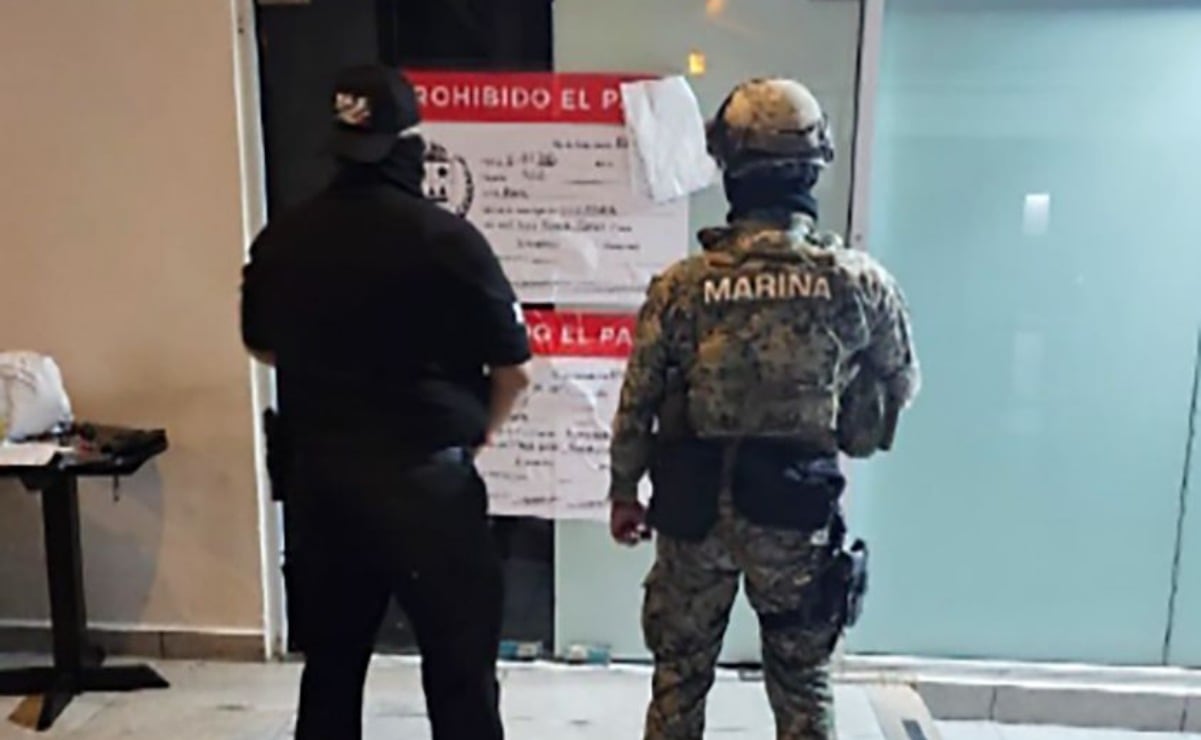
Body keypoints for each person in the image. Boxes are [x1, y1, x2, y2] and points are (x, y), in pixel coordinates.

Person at [609, 77, 921, 739]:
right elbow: (900, 383)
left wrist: (623, 492)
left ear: (728, 166)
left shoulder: (682, 286)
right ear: (813, 167)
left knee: (678, 678)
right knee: (802, 680)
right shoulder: (857, 281)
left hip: (691, 509)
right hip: (794, 507)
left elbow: (638, 399)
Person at [240, 64, 531, 740]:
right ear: (410, 145)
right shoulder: (448, 240)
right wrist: (480, 431)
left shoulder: (283, 238)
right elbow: (514, 370)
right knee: (459, 673)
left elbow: (262, 345)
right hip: (427, 486)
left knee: (331, 670)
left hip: (322, 482)